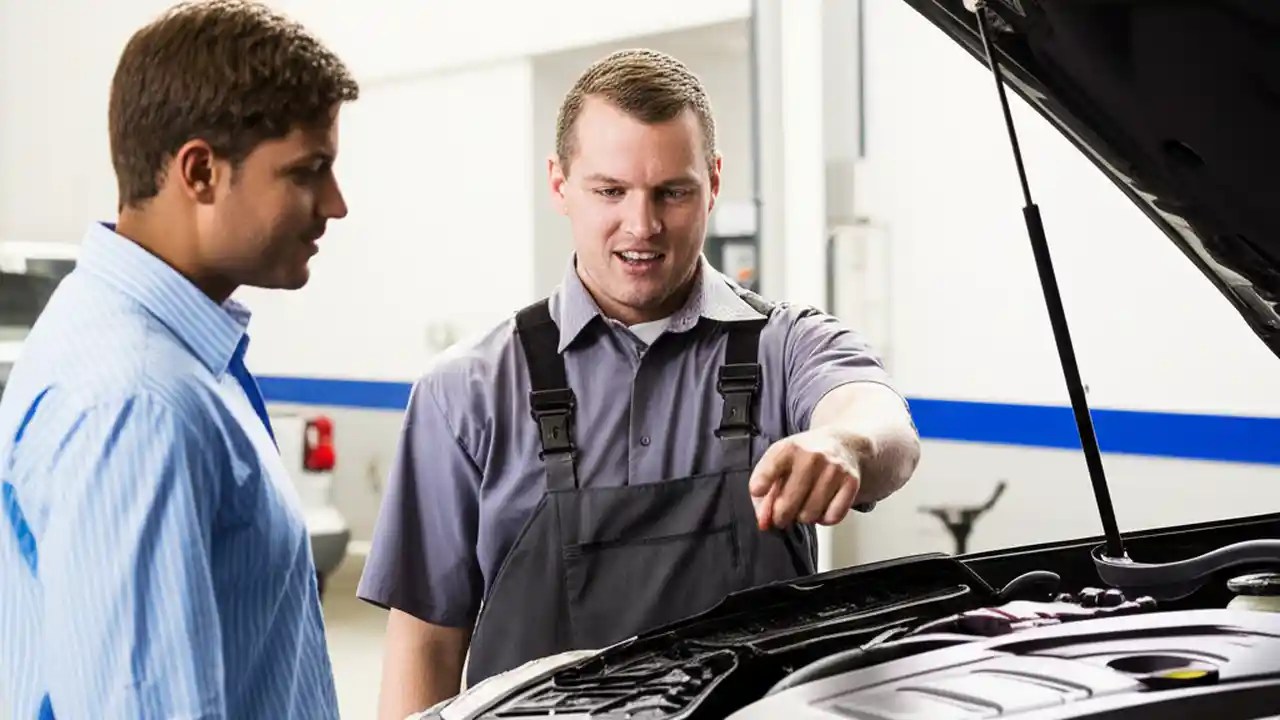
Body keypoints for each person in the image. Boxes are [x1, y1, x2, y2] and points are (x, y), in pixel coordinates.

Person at [358, 48, 921, 717]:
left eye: (671, 192)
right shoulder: (467, 391)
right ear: (560, 184)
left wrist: (847, 445)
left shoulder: (785, 345)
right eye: (610, 190)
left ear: (713, 183)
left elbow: (882, 422)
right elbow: (425, 643)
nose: (642, 225)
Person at [0, 2, 358, 718]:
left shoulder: (151, 354)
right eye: (308, 171)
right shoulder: (135, 402)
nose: (335, 204)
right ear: (199, 171)